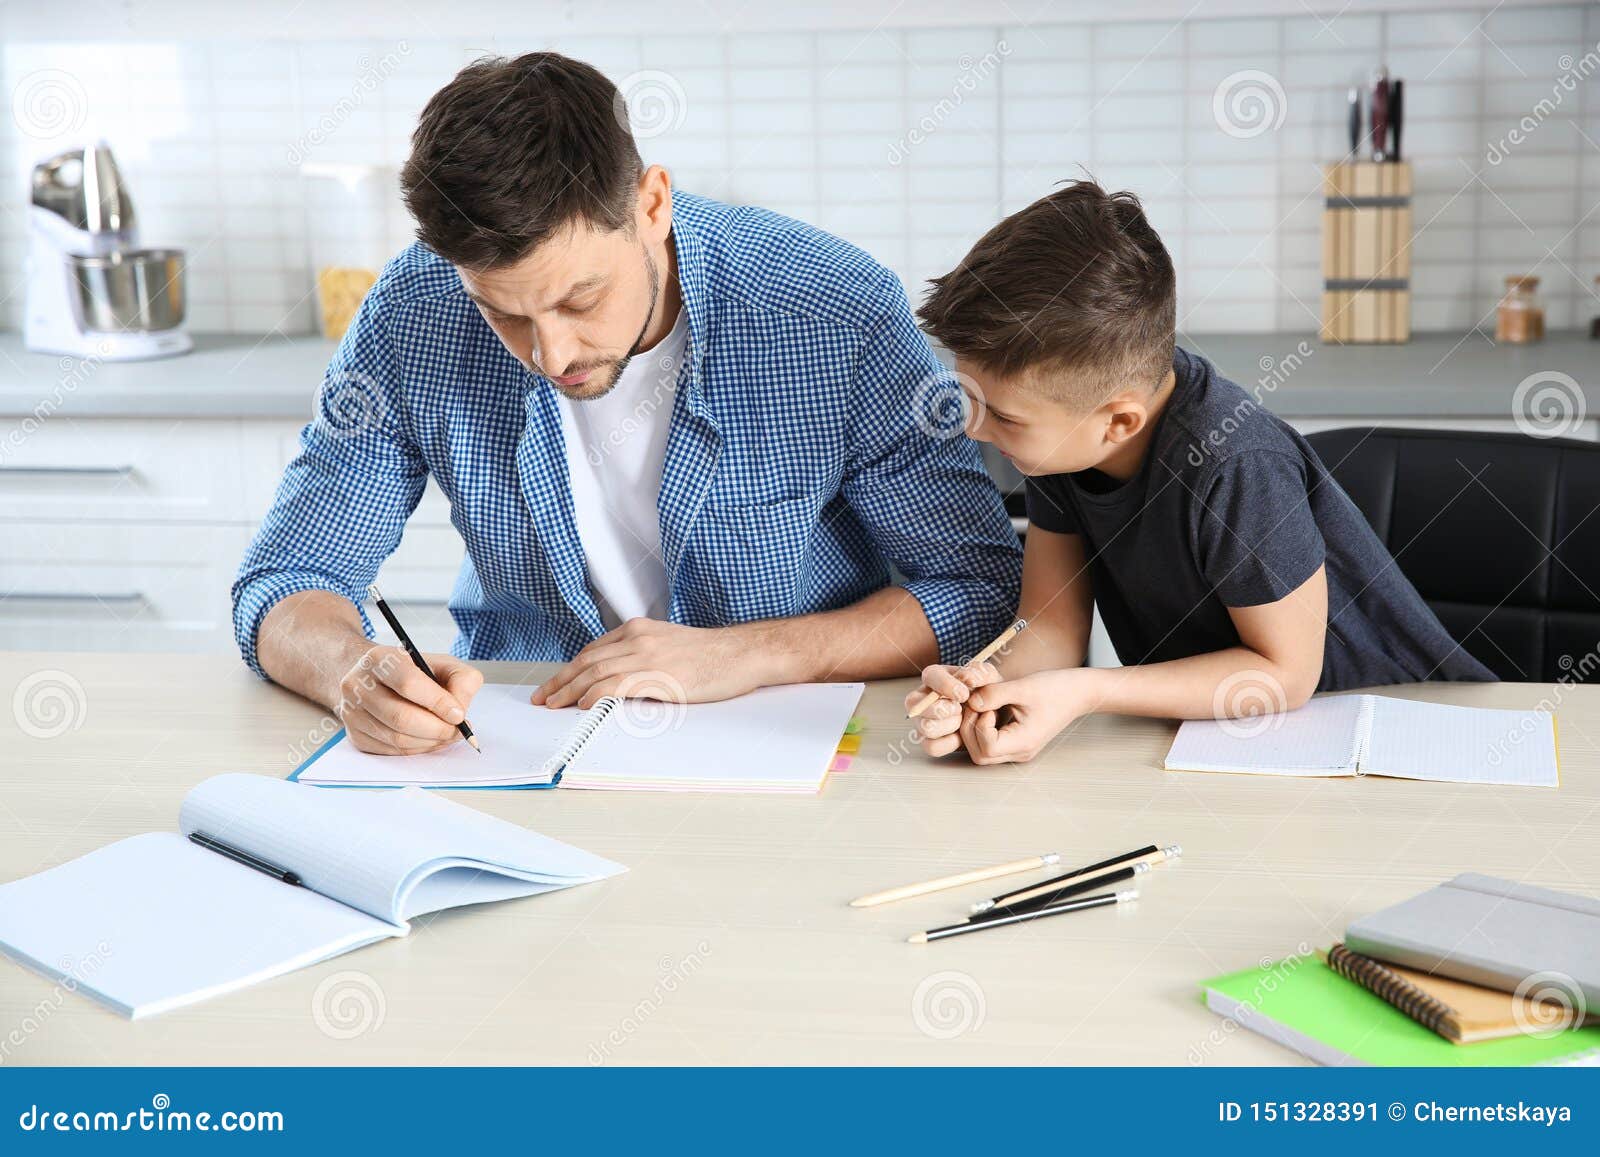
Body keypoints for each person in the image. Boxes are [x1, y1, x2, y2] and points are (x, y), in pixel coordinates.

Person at [233, 54, 1021, 756]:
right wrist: (350, 672)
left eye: (581, 299)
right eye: (502, 313)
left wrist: (753, 653)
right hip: (516, 744)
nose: (551, 356)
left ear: (652, 205)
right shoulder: (412, 311)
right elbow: (287, 575)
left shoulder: (833, 311)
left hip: (785, 739)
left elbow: (977, 584)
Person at [905, 180, 1492, 765]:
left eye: (1003, 416)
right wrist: (984, 686)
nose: (973, 428)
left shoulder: (1237, 465)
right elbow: (1051, 625)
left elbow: (1285, 676)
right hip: (1236, 736)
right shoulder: (1066, 435)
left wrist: (1087, 692)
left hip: (1396, 730)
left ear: (1119, 422)